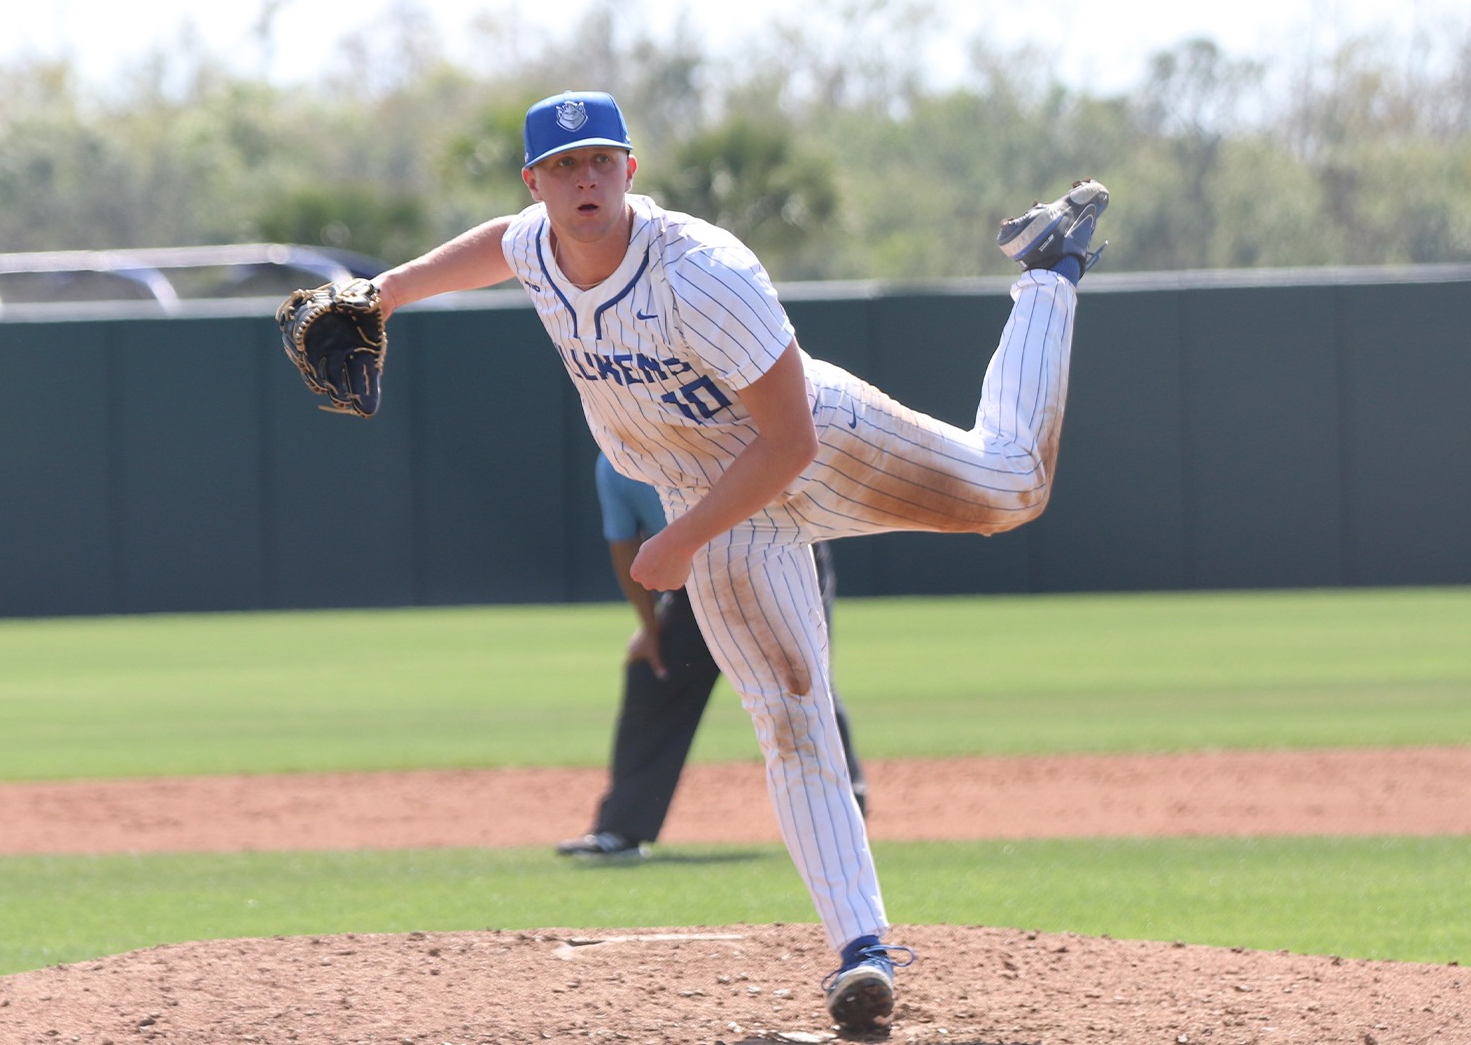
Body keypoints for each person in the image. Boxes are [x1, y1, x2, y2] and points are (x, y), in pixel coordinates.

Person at [369, 89, 1106, 1031]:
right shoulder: (537, 248)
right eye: (563, 167)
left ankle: (1050, 269)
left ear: (631, 170)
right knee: (791, 714)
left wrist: (678, 539)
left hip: (815, 445)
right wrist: (381, 293)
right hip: (715, 505)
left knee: (1012, 489)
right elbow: (491, 247)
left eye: (601, 160)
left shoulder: (701, 272)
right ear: (537, 184)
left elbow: (790, 440)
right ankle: (862, 951)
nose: (584, 178)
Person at [559, 452, 867, 862]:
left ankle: (846, 806)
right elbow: (624, 546)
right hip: (695, 579)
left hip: (780, 553)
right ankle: (621, 829)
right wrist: (650, 630)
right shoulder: (613, 464)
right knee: (657, 672)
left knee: (801, 676)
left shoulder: (705, 437)